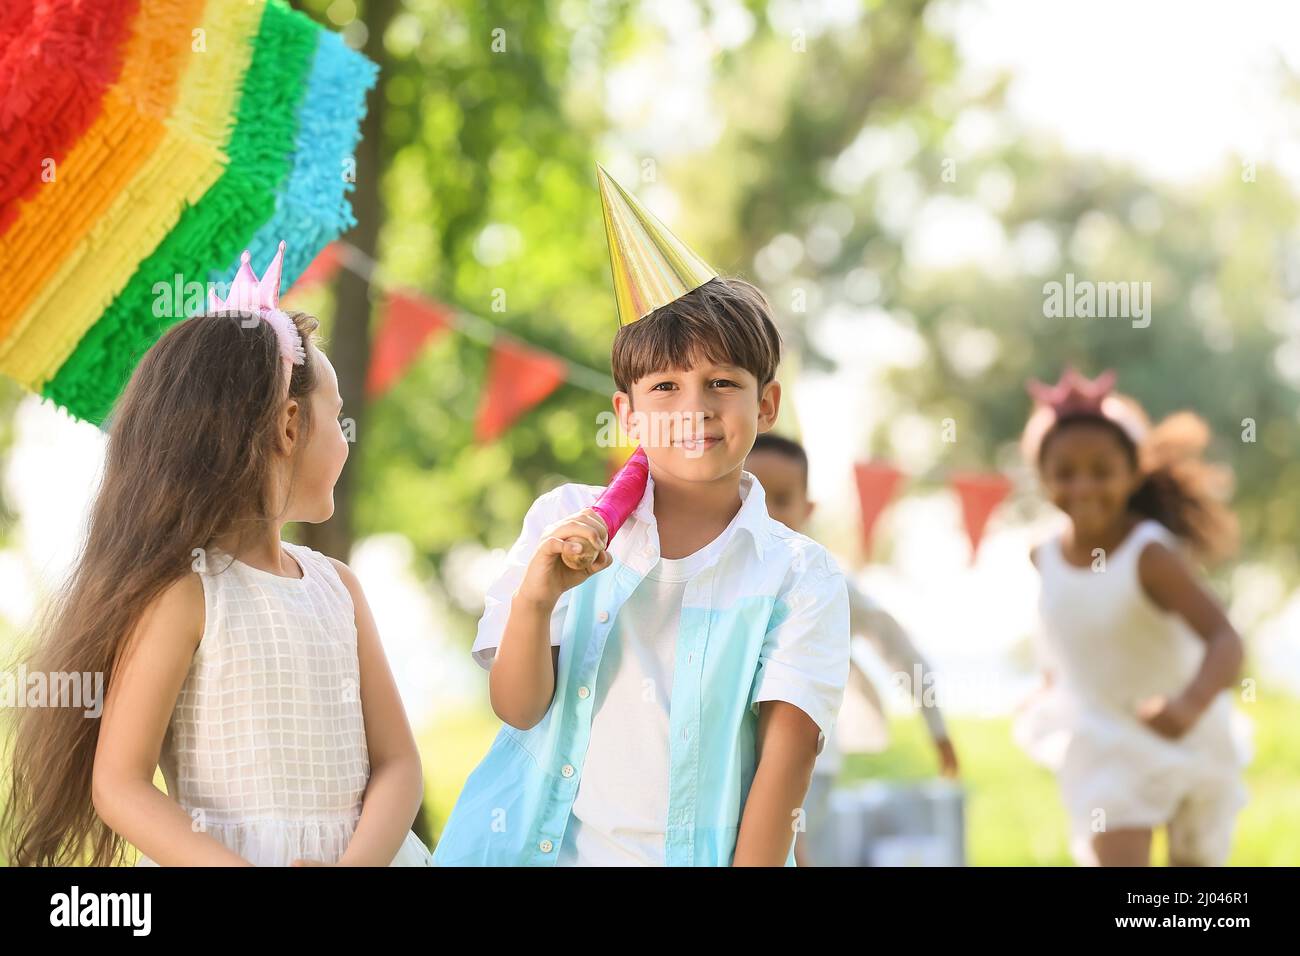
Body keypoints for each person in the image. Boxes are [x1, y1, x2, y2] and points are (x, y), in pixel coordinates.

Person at [432, 166, 850, 866]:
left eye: (723, 383)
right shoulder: (565, 521)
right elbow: (518, 707)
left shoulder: (799, 576)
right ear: (626, 413)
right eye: (665, 386)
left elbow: (787, 767)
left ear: (766, 405)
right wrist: (536, 599)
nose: (695, 408)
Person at [2, 243, 431, 866]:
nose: (345, 440)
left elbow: (399, 763)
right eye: (336, 418)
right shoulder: (188, 595)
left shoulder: (338, 588)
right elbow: (119, 785)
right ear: (288, 426)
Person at [1013, 368, 1249, 867]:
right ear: (1042, 476)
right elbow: (1073, 631)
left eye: (1102, 471)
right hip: (1103, 741)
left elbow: (1225, 639)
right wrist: (1049, 683)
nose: (1083, 486)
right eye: (1065, 471)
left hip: (1187, 736)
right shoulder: (1042, 556)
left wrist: (1188, 705)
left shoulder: (1149, 555)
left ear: (1133, 473)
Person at [745, 433, 958, 866]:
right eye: (751, 495)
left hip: (809, 762)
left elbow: (900, 649)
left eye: (781, 499)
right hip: (733, 758)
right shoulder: (712, 578)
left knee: (792, 849)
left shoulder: (827, 583)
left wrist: (937, 729)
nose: (766, 513)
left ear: (808, 510)